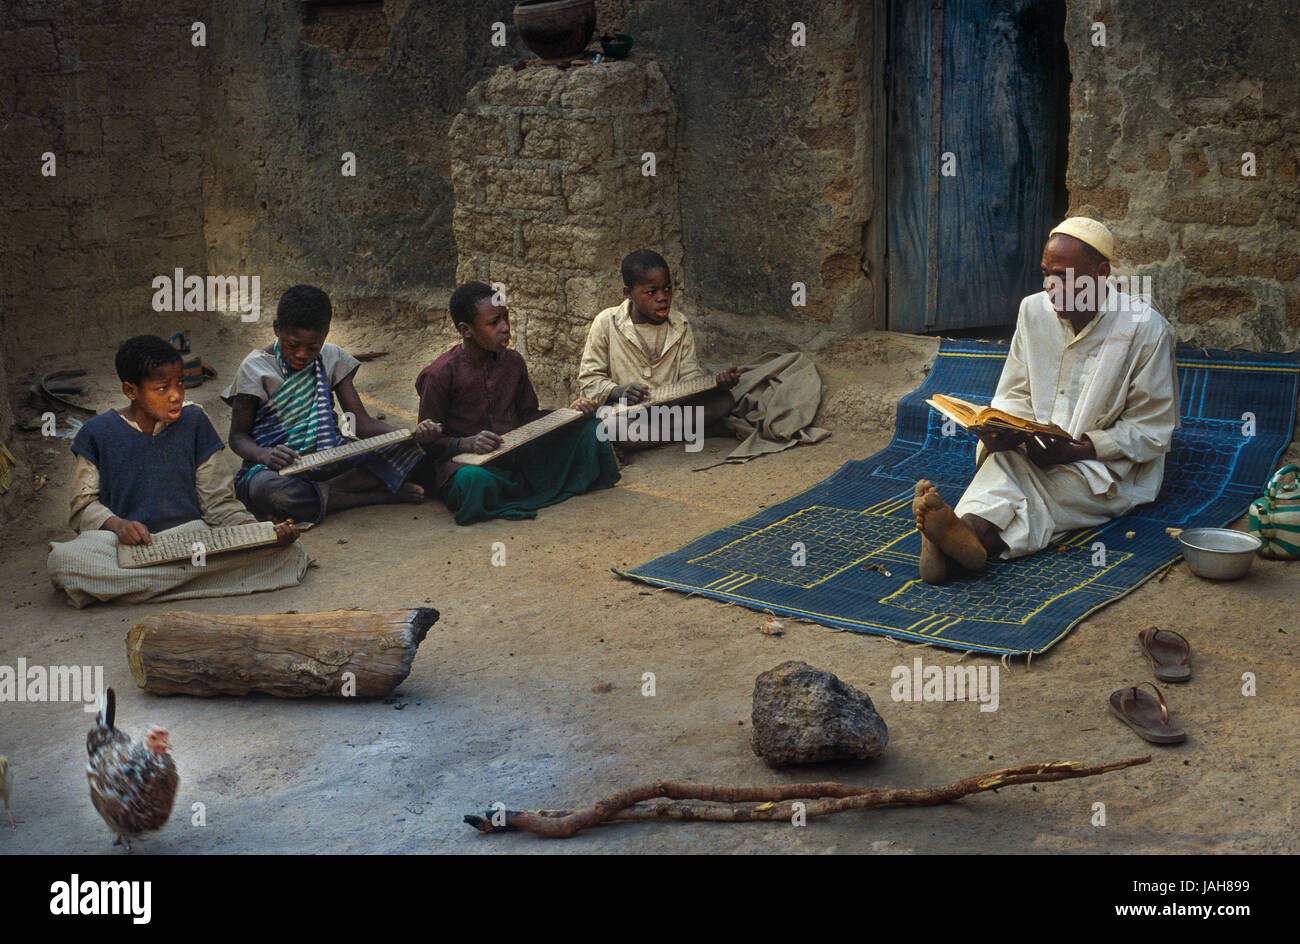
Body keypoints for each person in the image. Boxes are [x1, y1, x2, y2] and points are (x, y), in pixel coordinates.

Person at [913, 217, 1179, 584]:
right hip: (1027, 449)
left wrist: (1079, 451)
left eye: (1064, 276)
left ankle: (964, 535)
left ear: (1101, 274)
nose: (1051, 287)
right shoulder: (1033, 311)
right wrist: (1002, 429)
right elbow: (1015, 392)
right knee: (1008, 460)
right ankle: (964, 542)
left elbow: (1153, 430)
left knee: (1022, 481)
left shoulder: (1145, 330)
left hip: (1102, 469)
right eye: (1045, 274)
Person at [47, 335, 308, 608]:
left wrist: (258, 533)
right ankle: (192, 582)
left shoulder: (195, 421)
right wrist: (118, 525)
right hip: (127, 550)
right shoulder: (97, 433)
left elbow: (218, 502)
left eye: (180, 383)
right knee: (65, 562)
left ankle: (141, 588)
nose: (176, 395)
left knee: (289, 551)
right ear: (131, 390)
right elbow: (82, 507)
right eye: (162, 388)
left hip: (193, 539)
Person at [224, 284, 439, 523]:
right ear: (277, 329)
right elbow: (238, 438)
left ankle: (323, 492)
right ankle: (371, 496)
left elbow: (361, 425)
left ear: (325, 335)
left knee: (411, 452)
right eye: (293, 345)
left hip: (330, 457)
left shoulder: (332, 358)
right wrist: (265, 456)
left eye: (313, 347)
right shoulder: (255, 368)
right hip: (278, 467)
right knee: (270, 491)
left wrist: (411, 435)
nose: (302, 355)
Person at [414, 281, 619, 525]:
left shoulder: (513, 361)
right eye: (494, 323)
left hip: (514, 452)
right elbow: (428, 443)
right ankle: (518, 489)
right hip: (467, 465)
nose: (506, 328)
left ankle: (518, 487)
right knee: (473, 482)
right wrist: (466, 443)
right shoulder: (439, 375)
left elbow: (528, 415)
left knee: (588, 428)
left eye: (506, 318)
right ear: (466, 330)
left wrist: (568, 413)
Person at [576, 249, 738, 449]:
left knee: (724, 401)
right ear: (628, 293)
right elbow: (589, 381)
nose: (663, 298)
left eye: (668, 289)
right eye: (651, 292)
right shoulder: (606, 323)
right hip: (627, 413)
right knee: (611, 426)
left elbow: (690, 377)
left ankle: (668, 434)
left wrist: (713, 385)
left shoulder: (680, 324)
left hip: (671, 411)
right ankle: (696, 432)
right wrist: (620, 391)